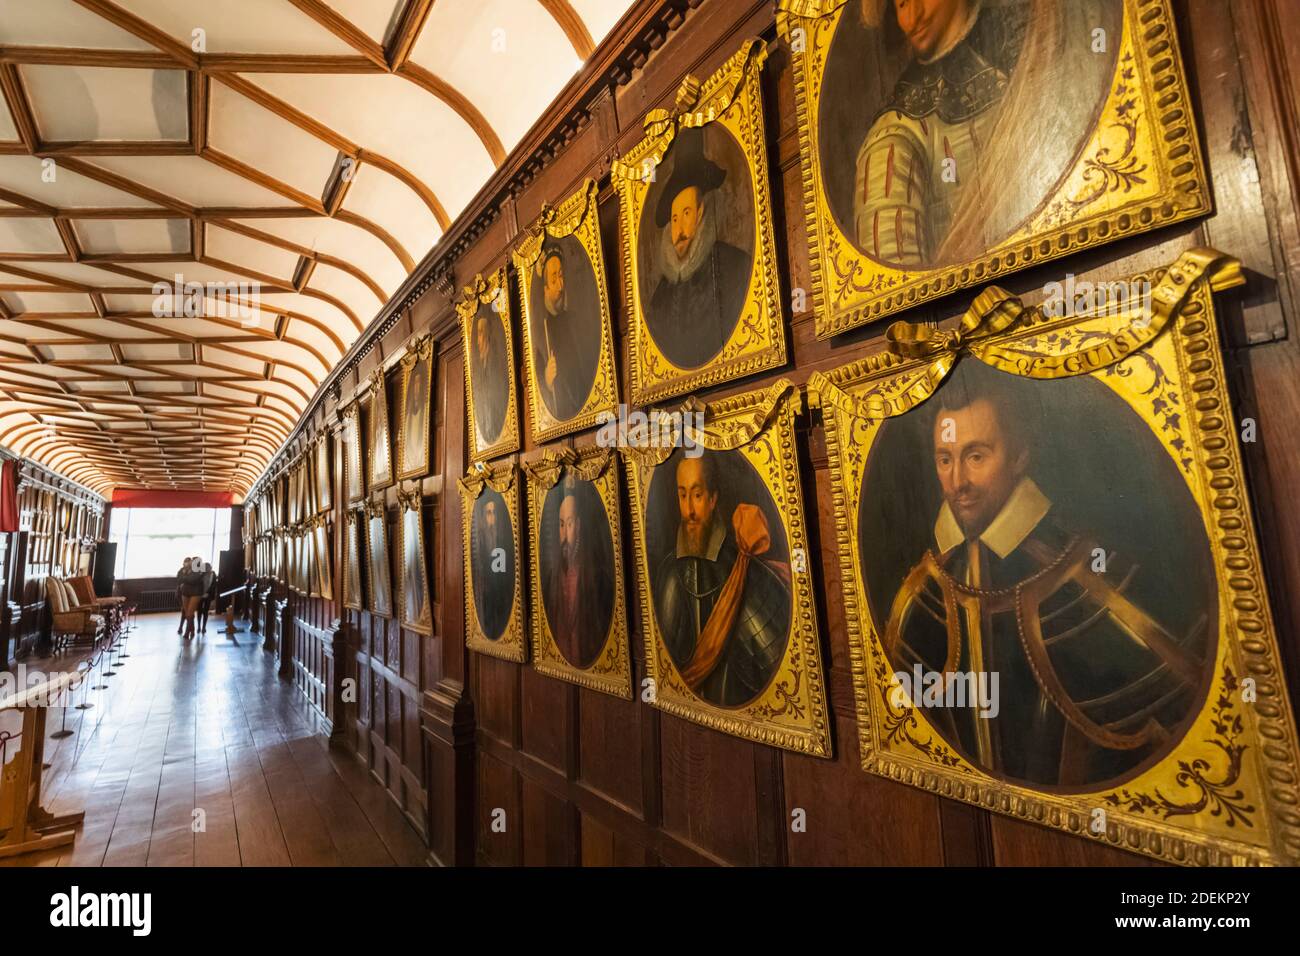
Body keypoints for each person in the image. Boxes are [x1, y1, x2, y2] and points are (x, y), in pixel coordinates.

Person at [883, 382, 1209, 786]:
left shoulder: (1084, 572)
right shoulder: (920, 591)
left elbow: (1181, 691)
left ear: (1019, 457)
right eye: (944, 460)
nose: (957, 482)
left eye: (976, 456)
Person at [652, 453, 791, 707]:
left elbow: (776, 666)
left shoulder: (742, 570)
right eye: (683, 495)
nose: (690, 511)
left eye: (697, 495)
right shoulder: (669, 573)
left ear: (713, 499)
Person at [646, 126, 751, 369]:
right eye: (674, 219)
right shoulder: (660, 298)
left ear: (702, 213)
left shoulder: (733, 266)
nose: (679, 228)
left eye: (686, 213)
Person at [542, 482, 612, 669]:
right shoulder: (551, 579)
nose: (564, 534)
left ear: (579, 526)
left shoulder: (598, 577)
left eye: (570, 523)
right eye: (561, 524)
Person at [531, 246, 599, 421]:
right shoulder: (539, 332)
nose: (560, 286)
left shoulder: (575, 320)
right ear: (545, 289)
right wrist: (547, 380)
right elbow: (537, 387)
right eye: (554, 280)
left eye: (561, 276)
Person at [471, 494, 513, 639]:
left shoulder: (502, 542)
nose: (493, 519)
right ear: (483, 519)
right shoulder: (479, 545)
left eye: (494, 513)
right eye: (489, 513)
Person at [470, 310, 507, 445]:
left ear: (489, 336)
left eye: (482, 333)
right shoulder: (478, 370)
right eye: (479, 334)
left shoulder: (497, 362)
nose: (480, 340)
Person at [177, 556, 206, 640]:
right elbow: (178, 578)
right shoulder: (185, 568)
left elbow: (194, 580)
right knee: (188, 614)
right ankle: (192, 630)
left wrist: (184, 577)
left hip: (196, 592)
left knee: (189, 613)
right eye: (191, 561)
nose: (190, 562)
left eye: (193, 561)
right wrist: (185, 577)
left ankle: (187, 632)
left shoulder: (201, 568)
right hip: (185, 592)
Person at [197, 561, 217, 633]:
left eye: (209, 567)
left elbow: (214, 585)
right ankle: (199, 626)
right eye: (206, 568)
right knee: (199, 611)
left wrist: (208, 593)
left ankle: (204, 627)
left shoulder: (213, 574)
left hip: (208, 595)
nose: (208, 569)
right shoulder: (201, 574)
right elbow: (198, 584)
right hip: (200, 595)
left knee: (205, 611)